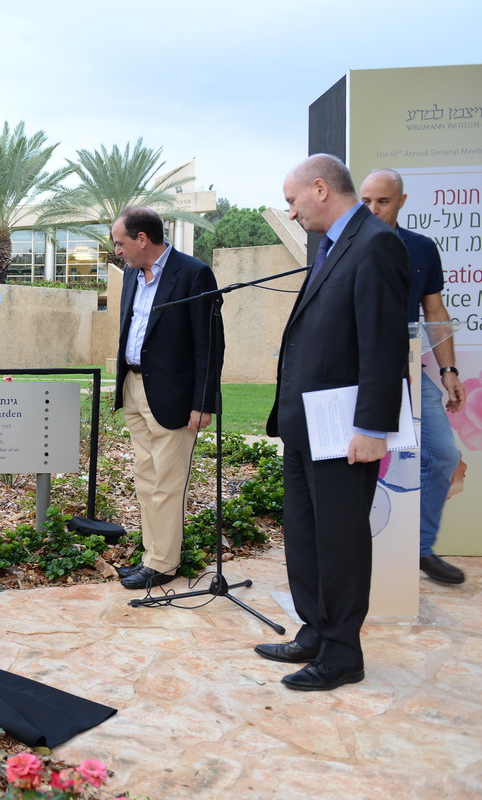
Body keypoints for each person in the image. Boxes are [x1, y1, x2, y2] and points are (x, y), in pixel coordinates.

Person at [257, 154, 409, 691]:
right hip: (307, 427)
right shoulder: (330, 245)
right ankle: (315, 631)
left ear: (320, 188)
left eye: (292, 200)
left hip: (346, 432)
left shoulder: (376, 243)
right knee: (305, 535)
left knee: (341, 542)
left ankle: (343, 654)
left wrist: (372, 428)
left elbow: (384, 345)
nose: (291, 212)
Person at [359, 168, 466, 585]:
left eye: (382, 202)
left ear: (402, 202)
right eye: (366, 201)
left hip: (408, 372)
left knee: (443, 456)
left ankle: (420, 548)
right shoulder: (346, 244)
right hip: (357, 375)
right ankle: (356, 554)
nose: (373, 209)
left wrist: (449, 370)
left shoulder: (421, 248)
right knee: (361, 465)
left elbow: (434, 311)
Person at [111, 206, 222, 590]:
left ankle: (163, 564)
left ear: (142, 239)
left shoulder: (193, 274)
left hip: (173, 396)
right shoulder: (131, 274)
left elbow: (210, 344)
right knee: (146, 478)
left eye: (120, 243)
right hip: (133, 387)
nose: (117, 251)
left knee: (167, 482)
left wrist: (203, 402)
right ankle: (151, 556)